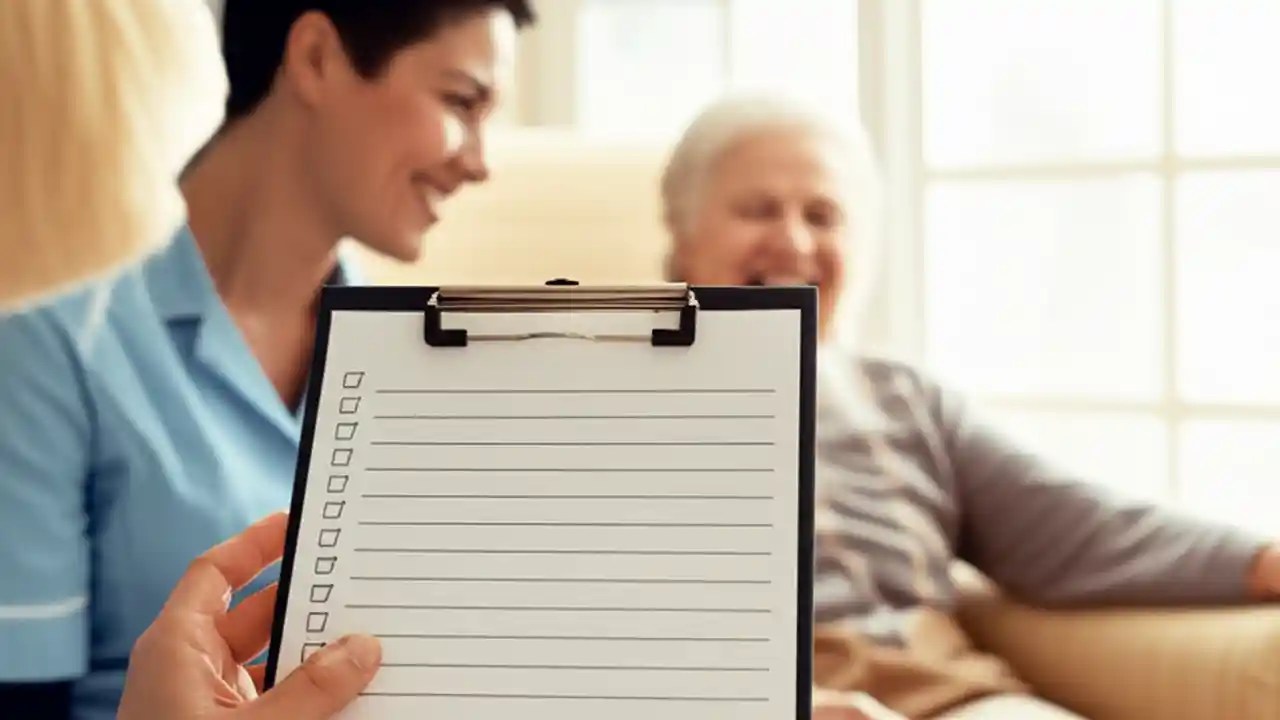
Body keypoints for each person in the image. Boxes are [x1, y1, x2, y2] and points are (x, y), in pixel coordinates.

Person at [660, 94, 1280, 719]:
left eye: (823, 215)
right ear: (681, 234)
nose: (795, 241)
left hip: (951, 697)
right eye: (759, 210)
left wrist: (1260, 562)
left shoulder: (902, 396)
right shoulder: (610, 397)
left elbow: (1076, 529)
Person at [0, 1, 535, 718]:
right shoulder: (47, 325)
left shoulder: (415, 360)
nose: (479, 162)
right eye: (460, 101)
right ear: (316, 56)